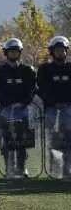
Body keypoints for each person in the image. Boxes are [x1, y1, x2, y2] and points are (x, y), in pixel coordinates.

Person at [0, 38, 37, 177]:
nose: (13, 53)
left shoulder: (28, 70)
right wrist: (7, 102)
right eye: (11, 51)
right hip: (5, 109)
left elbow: (32, 89)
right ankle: (9, 168)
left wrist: (23, 102)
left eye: (16, 51)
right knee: (7, 139)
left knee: (22, 140)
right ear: (6, 53)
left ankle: (22, 168)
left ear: (20, 52)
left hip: (23, 109)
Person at [37, 36, 71, 177]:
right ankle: (55, 169)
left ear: (66, 51)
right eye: (57, 50)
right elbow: (42, 89)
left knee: (69, 140)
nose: (60, 53)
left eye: (62, 50)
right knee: (54, 139)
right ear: (52, 52)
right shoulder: (45, 69)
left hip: (69, 109)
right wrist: (53, 102)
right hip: (51, 109)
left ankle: (68, 169)